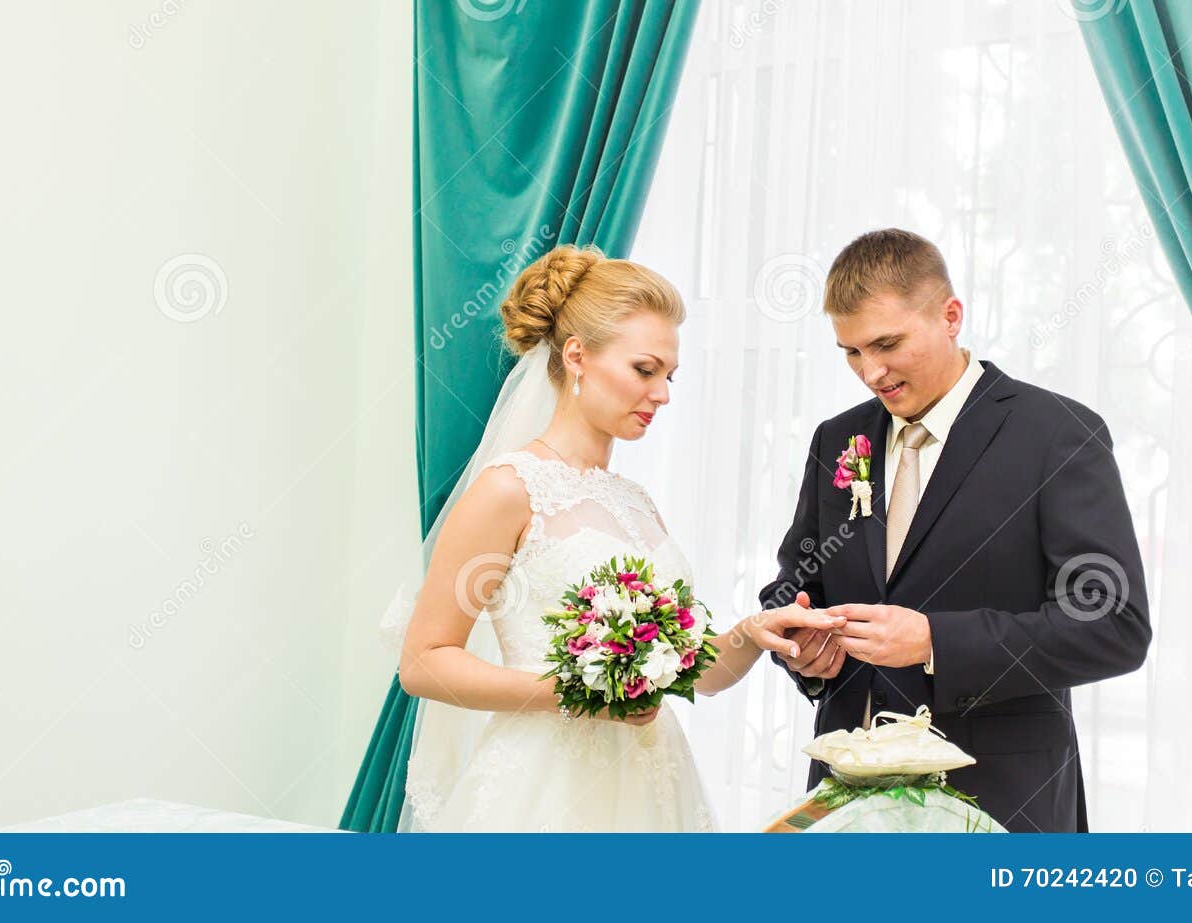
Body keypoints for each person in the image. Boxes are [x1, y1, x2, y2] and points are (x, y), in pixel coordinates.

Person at [398, 244, 842, 832]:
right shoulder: (509, 489)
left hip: (652, 793)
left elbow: (698, 675)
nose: (662, 394)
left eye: (669, 376)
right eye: (645, 369)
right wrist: (577, 693)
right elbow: (423, 663)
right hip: (543, 795)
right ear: (578, 356)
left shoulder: (637, 503)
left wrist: (755, 634)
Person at [761, 228, 1152, 832]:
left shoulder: (1056, 434)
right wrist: (803, 650)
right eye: (851, 351)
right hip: (847, 810)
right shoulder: (838, 438)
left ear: (950, 316)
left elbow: (1115, 627)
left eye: (887, 343)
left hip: (1001, 799)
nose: (871, 372)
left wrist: (936, 642)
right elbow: (795, 583)